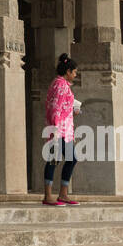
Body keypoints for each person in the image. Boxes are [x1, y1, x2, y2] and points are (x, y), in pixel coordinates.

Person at [42, 53, 82, 206]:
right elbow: (55, 108)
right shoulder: (59, 84)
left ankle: (63, 194)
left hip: (66, 130)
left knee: (72, 159)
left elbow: (63, 107)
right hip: (58, 130)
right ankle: (48, 196)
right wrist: (55, 131)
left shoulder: (63, 85)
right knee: (53, 160)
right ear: (68, 71)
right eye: (75, 72)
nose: (75, 74)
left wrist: (73, 111)